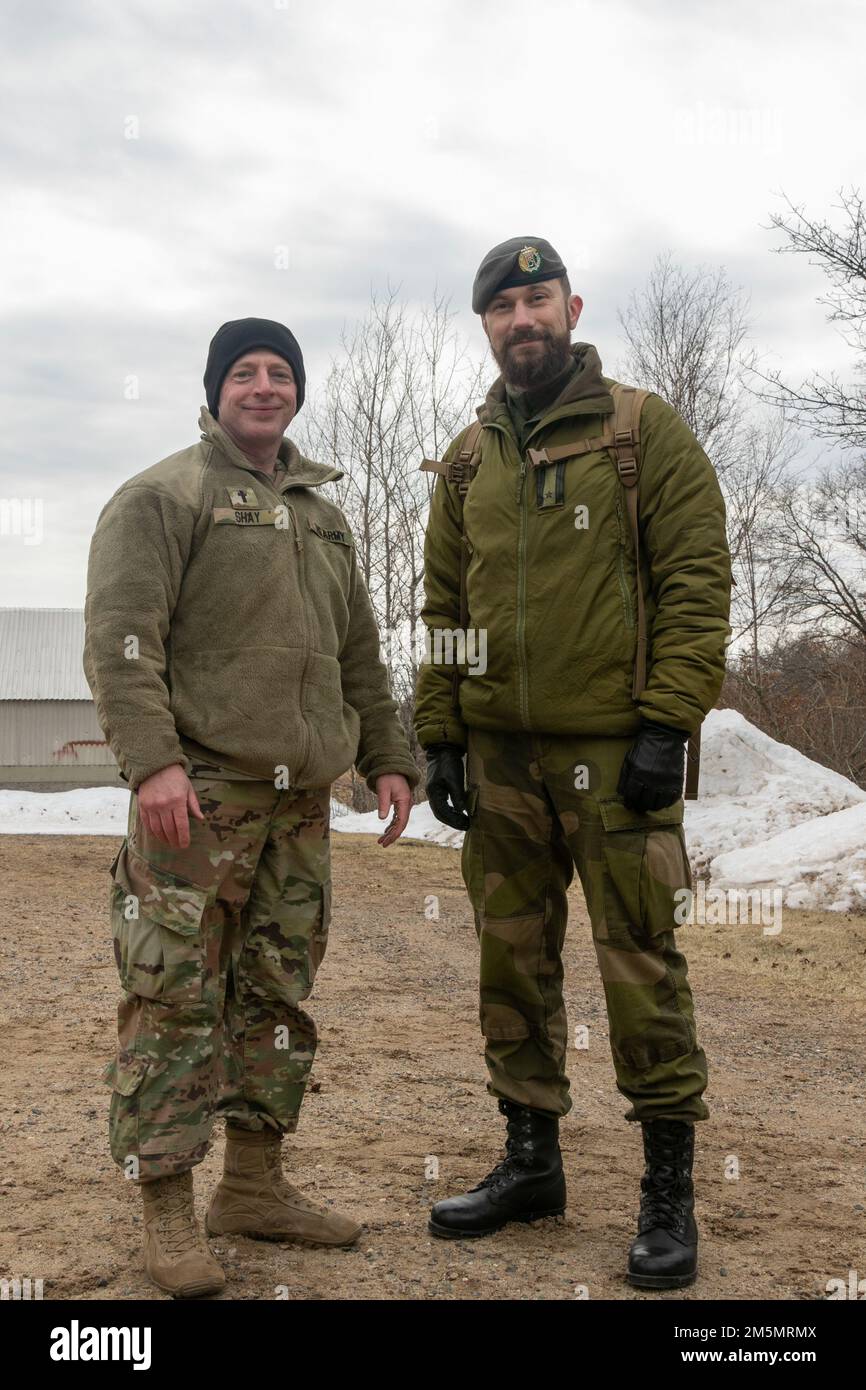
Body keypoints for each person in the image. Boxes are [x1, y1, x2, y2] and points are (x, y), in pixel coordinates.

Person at [414, 238, 731, 1289]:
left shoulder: (642, 432)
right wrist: (442, 735)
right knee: (512, 963)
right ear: (486, 326)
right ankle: (530, 1160)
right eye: (501, 305)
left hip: (614, 757)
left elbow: (694, 580)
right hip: (501, 762)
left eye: (535, 298)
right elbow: (443, 611)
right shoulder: (466, 461)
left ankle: (665, 1190)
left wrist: (663, 723)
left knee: (639, 964)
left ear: (571, 306)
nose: (521, 318)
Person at [84, 317, 418, 1298]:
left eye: (280, 371)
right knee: (174, 995)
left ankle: (254, 1186)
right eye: (245, 371)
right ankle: (167, 1210)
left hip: (298, 804)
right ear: (215, 388)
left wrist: (390, 753)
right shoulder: (162, 496)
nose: (264, 385)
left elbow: (357, 649)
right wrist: (151, 764)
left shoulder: (321, 511)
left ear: (298, 390)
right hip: (200, 797)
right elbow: (122, 641)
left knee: (274, 993)